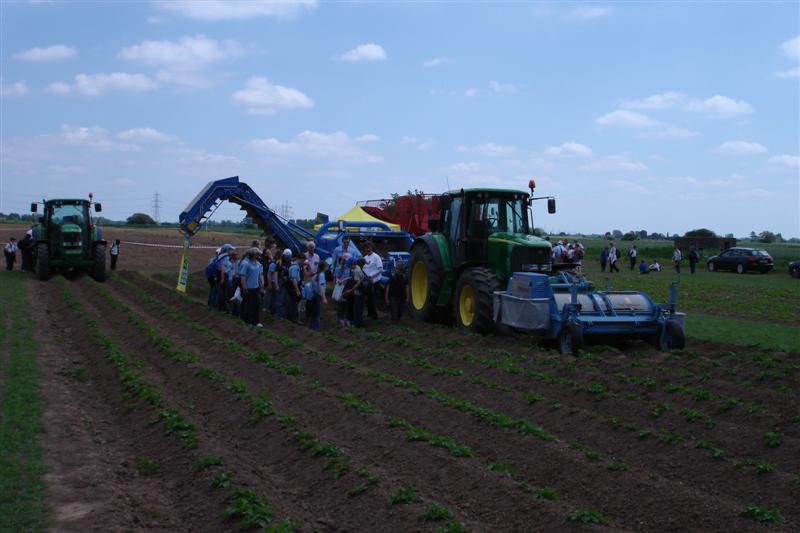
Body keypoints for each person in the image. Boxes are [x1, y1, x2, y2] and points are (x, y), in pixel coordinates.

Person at [239, 247, 265, 326]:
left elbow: (260, 275)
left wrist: (262, 284)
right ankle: (248, 320)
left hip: (256, 287)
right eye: (257, 254)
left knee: (257, 303)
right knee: (249, 304)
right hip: (248, 288)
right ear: (253, 255)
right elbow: (242, 276)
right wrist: (244, 287)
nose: (259, 255)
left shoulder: (258, 264)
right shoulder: (246, 264)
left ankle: (256, 321)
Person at [361, 242, 383, 319]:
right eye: (366, 248)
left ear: (372, 248)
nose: (368, 249)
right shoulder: (364, 258)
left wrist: (371, 275)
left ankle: (375, 316)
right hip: (367, 283)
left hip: (375, 282)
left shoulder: (376, 257)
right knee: (368, 299)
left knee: (373, 299)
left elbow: (380, 269)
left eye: (369, 247)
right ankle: (370, 314)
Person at [306, 262, 328, 331]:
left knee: (314, 312)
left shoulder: (317, 274)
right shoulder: (321, 275)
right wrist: (324, 297)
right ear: (324, 267)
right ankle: (316, 329)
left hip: (315, 295)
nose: (328, 268)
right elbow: (321, 286)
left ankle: (311, 327)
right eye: (327, 266)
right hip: (318, 296)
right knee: (317, 313)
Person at [346, 257, 366, 327]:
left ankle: (358, 324)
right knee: (357, 307)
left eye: (349, 265)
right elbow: (354, 278)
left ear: (352, 264)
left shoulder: (356, 270)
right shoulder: (356, 267)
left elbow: (358, 283)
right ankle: (356, 321)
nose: (349, 267)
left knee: (358, 308)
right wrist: (345, 279)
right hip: (359, 290)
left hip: (360, 291)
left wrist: (351, 290)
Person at [334, 257, 352, 326]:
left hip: (347, 287)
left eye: (345, 261)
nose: (343, 262)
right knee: (340, 303)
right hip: (340, 287)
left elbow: (351, 277)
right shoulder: (337, 269)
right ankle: (339, 317)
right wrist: (338, 280)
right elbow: (336, 278)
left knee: (346, 303)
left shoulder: (349, 269)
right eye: (342, 260)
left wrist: (345, 279)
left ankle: (346, 317)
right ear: (340, 261)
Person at [286, 252, 302, 323]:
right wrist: (297, 290)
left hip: (293, 286)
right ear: (300, 259)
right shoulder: (295, 267)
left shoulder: (295, 265)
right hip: (293, 287)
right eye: (303, 260)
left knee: (293, 302)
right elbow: (293, 279)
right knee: (294, 303)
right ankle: (294, 319)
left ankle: (293, 318)